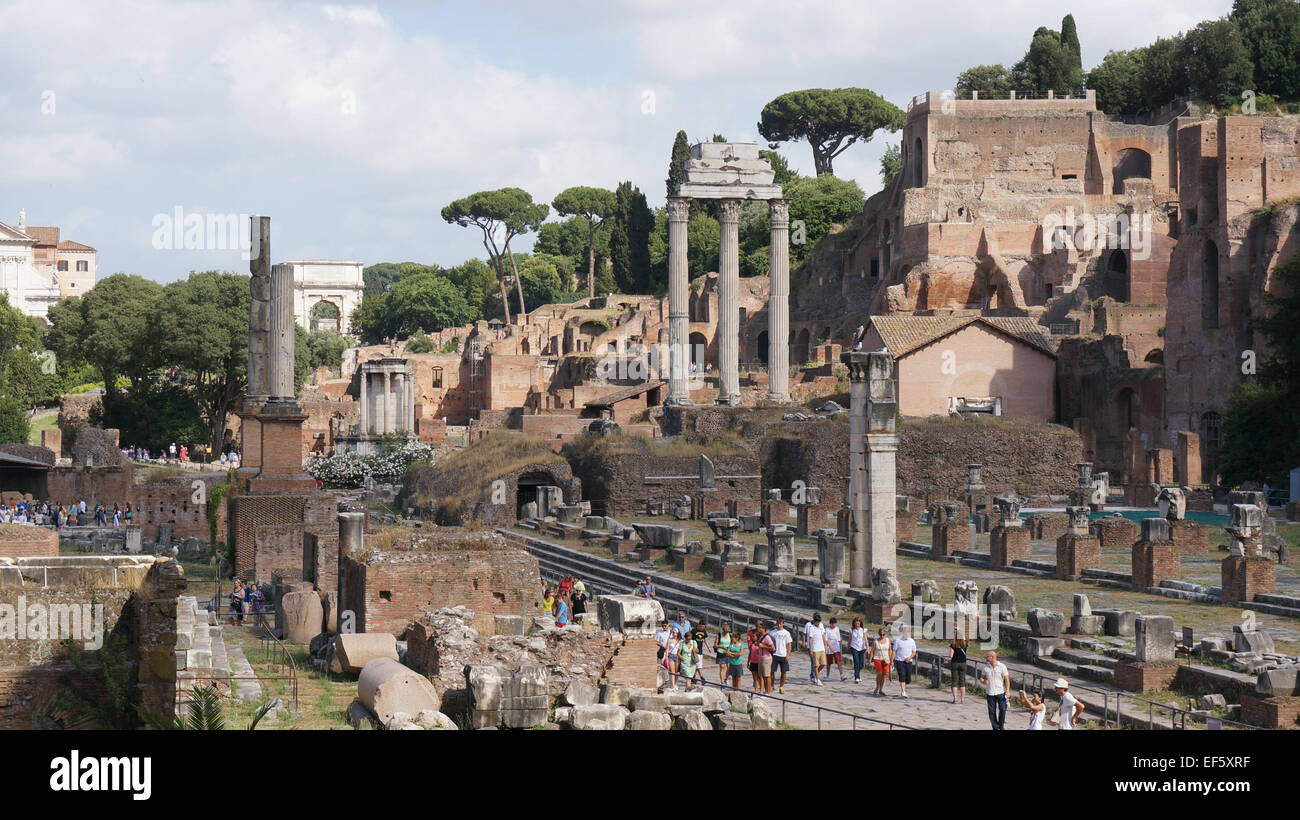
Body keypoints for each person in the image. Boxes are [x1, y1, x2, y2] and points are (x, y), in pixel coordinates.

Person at [978, 651, 1011, 730]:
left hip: (1000, 692)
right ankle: (996, 728)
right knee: (991, 712)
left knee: (1003, 709)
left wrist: (1008, 691)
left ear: (992, 657)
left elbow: (1007, 679)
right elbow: (981, 678)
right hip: (990, 693)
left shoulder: (1002, 666)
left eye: (987, 656)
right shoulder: (985, 667)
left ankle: (1001, 726)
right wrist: (983, 681)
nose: (986, 658)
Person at [892, 626, 917, 699]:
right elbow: (894, 651)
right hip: (899, 660)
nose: (907, 634)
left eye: (908, 632)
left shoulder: (912, 641)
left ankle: (904, 690)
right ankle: (903, 692)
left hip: (908, 661)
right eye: (906, 632)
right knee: (902, 675)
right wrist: (892, 661)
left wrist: (910, 658)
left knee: (908, 678)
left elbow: (914, 651)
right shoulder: (898, 640)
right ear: (903, 633)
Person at [750, 621, 775, 693]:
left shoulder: (767, 637)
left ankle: (768, 692)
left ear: (763, 628)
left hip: (766, 658)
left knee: (767, 676)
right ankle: (763, 691)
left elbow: (773, 648)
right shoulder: (761, 636)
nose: (757, 628)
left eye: (759, 627)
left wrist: (762, 646)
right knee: (762, 676)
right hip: (761, 658)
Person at [769, 617, 792, 693]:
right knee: (772, 671)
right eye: (778, 623)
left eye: (780, 623)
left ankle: (781, 686)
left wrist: (788, 655)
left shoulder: (786, 633)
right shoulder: (772, 632)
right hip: (774, 654)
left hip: (783, 654)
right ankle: (772, 685)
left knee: (784, 671)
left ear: (783, 623)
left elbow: (789, 644)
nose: (779, 625)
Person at [805, 613, 827, 686]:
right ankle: (817, 679)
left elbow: (823, 635)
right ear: (814, 621)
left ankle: (815, 673)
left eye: (819, 621)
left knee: (823, 663)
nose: (818, 623)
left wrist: (825, 645)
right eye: (816, 621)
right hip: (815, 649)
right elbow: (810, 639)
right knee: (816, 665)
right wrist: (811, 649)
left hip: (821, 648)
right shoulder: (811, 628)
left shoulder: (821, 626)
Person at [870, 628, 893, 696]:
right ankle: (877, 686)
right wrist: (870, 660)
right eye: (881, 634)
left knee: (883, 674)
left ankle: (881, 689)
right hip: (877, 658)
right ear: (878, 634)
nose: (882, 636)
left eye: (883, 634)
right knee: (879, 673)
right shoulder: (876, 641)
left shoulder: (888, 640)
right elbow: (872, 651)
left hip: (886, 659)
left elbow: (890, 650)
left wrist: (891, 660)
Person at [948, 637, 969, 704]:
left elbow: (950, 656)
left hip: (955, 663)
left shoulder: (953, 645)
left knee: (954, 682)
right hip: (963, 663)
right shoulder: (965, 644)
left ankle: (955, 699)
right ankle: (962, 700)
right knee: (962, 681)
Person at [824, 618, 845, 682]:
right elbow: (826, 639)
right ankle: (827, 675)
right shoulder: (827, 629)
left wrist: (837, 646)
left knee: (838, 660)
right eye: (832, 624)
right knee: (829, 663)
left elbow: (838, 639)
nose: (834, 625)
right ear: (830, 624)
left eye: (835, 624)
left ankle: (842, 675)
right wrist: (830, 647)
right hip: (829, 648)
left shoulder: (837, 629)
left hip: (836, 647)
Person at [849, 618, 868, 684]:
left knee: (861, 664)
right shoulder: (852, 630)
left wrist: (868, 648)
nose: (857, 624)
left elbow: (866, 639)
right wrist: (848, 645)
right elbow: (850, 638)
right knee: (856, 661)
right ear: (854, 623)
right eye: (856, 623)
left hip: (862, 648)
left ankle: (856, 672)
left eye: (858, 623)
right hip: (854, 647)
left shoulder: (863, 630)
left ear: (860, 623)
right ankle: (857, 677)